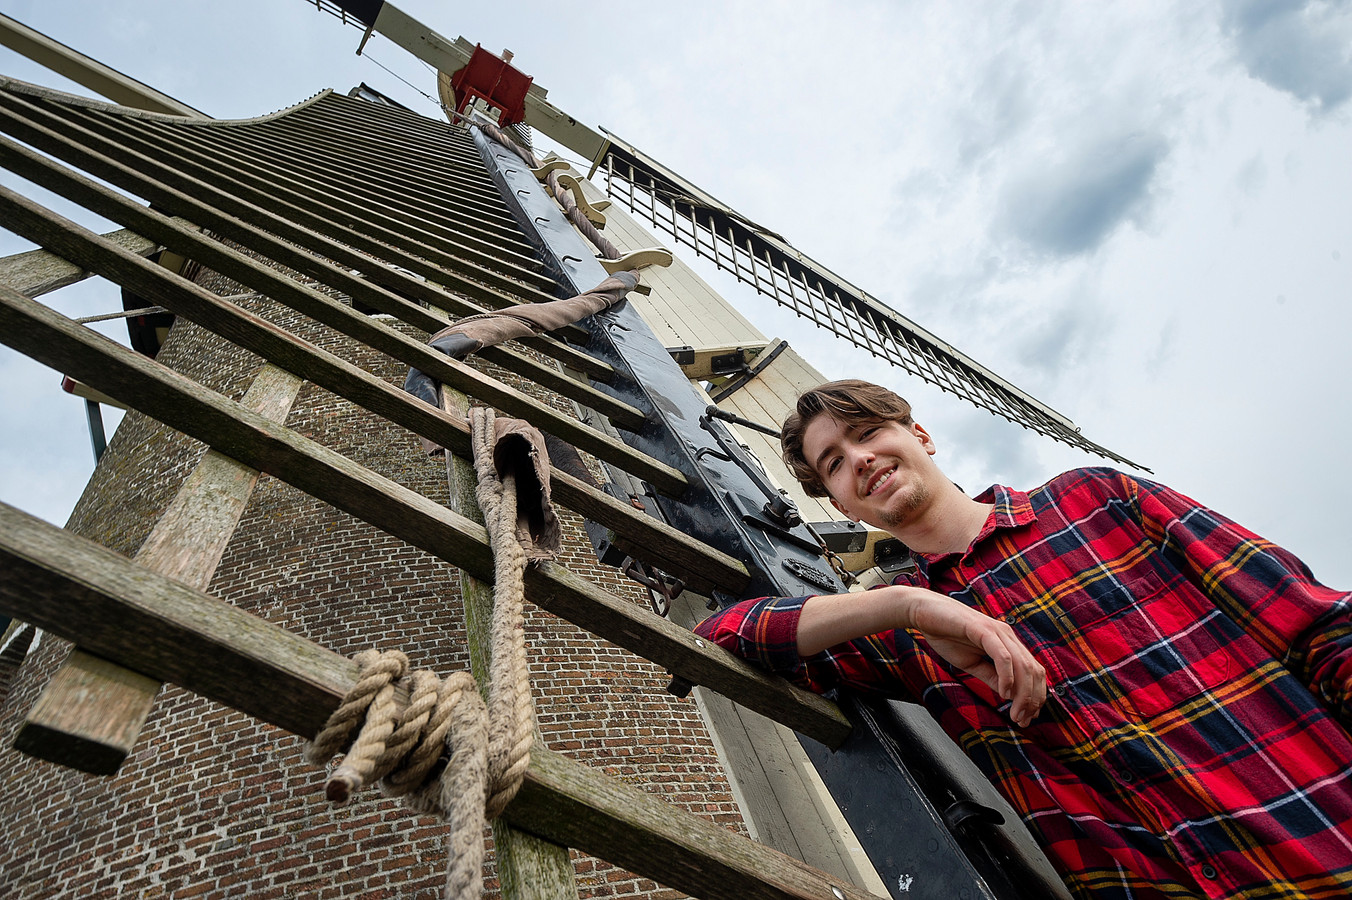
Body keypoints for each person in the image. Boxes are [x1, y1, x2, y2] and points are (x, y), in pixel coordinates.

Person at [694, 379, 1352, 900]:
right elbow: (724, 633)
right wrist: (904, 603)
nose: (860, 459)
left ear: (920, 434)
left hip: (1321, 834)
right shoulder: (908, 638)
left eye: (869, 434)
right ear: (839, 504)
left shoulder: (1096, 500)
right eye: (834, 463)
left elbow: (1321, 630)